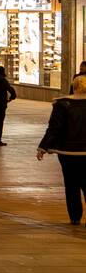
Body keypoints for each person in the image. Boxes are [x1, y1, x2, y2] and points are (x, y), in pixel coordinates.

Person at [36, 78, 86, 225]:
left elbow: (54, 128)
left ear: (73, 87)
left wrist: (43, 147)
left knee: (71, 184)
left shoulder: (62, 104)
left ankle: (75, 217)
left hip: (67, 152)